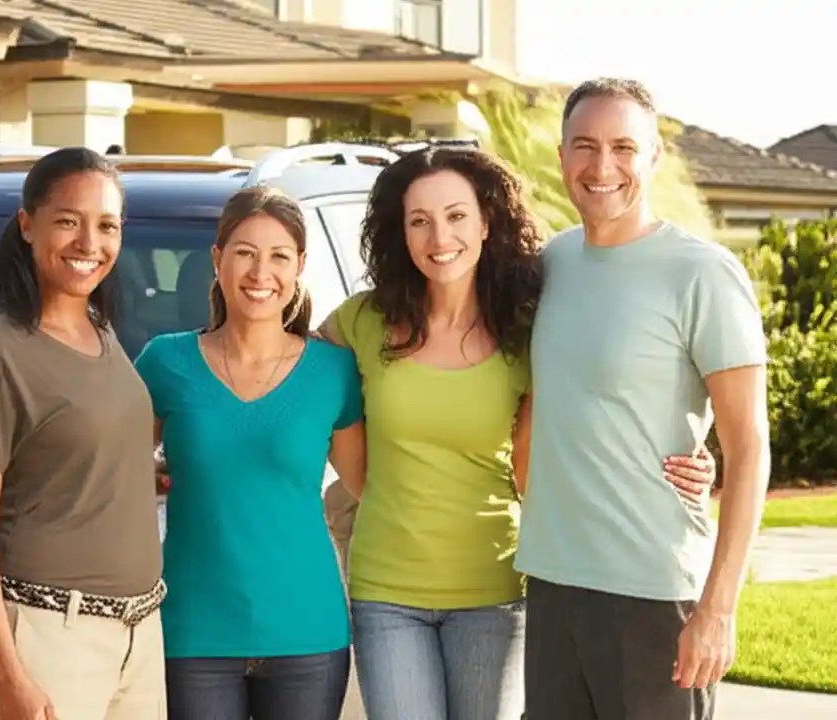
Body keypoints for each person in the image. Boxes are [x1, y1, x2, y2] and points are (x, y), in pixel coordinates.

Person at [318, 142, 719, 720]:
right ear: (398, 233)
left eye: (456, 216)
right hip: (386, 592)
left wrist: (684, 449)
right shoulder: (362, 321)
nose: (439, 239)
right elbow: (294, 376)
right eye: (419, 222)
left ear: (486, 222)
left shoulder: (526, 328)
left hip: (495, 589)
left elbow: (599, 403)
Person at [515, 78, 770, 720]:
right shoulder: (553, 263)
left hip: (652, 598)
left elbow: (749, 448)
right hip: (552, 588)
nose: (603, 167)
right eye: (586, 145)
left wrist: (718, 608)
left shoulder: (701, 273)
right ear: (562, 156)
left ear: (654, 157)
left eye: (624, 147)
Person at [0, 147, 166, 720]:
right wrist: (9, 675)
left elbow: (75, 449)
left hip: (138, 634)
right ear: (27, 225)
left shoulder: (99, 328)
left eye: (107, 225)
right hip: (48, 638)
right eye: (68, 220)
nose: (89, 243)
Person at [133, 186, 366, 720]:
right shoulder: (165, 362)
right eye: (244, 252)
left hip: (308, 631)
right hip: (194, 630)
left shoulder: (333, 371)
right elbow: (115, 475)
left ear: (300, 266)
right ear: (217, 259)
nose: (261, 272)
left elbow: (369, 489)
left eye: (279, 256)